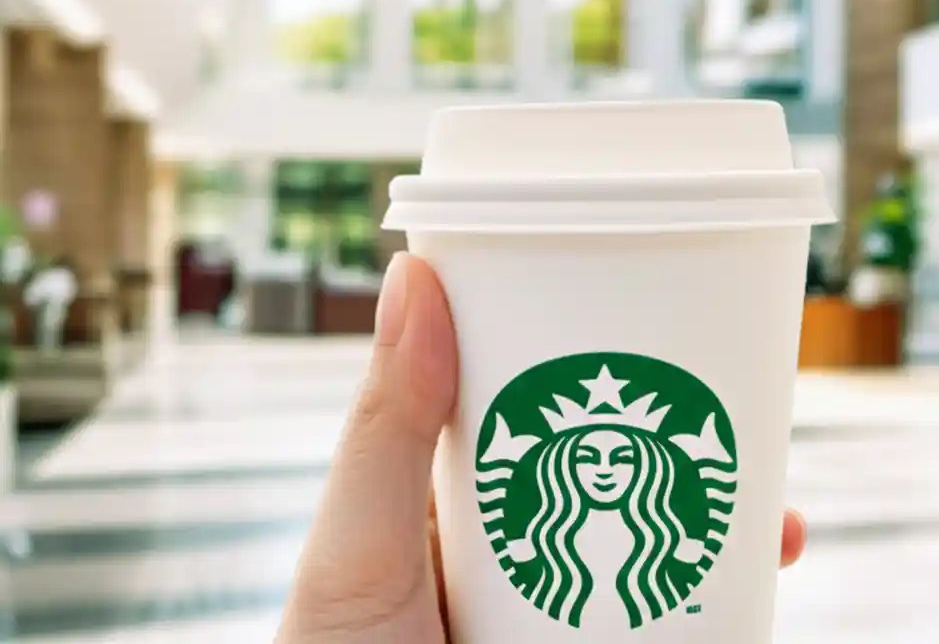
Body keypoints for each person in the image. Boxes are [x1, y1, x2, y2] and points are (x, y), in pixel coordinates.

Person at [277, 254, 808, 642]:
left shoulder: (667, 553)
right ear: (560, 466)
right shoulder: (543, 550)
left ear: (650, 468)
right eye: (586, 456)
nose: (604, 470)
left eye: (622, 457)